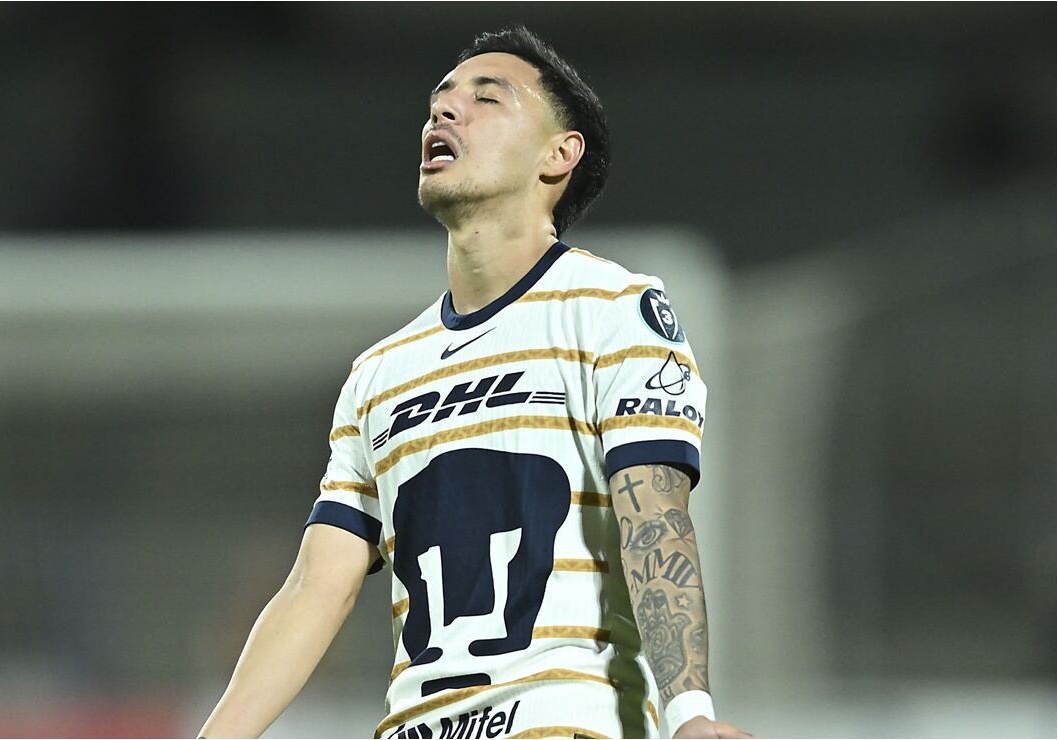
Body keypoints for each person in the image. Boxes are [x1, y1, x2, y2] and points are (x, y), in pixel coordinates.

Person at [200, 26, 750, 739]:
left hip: (564, 719)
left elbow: (652, 514)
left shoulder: (612, 310)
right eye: (440, 99)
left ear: (560, 154)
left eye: (487, 98)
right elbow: (315, 588)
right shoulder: (379, 374)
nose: (444, 110)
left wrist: (690, 714)